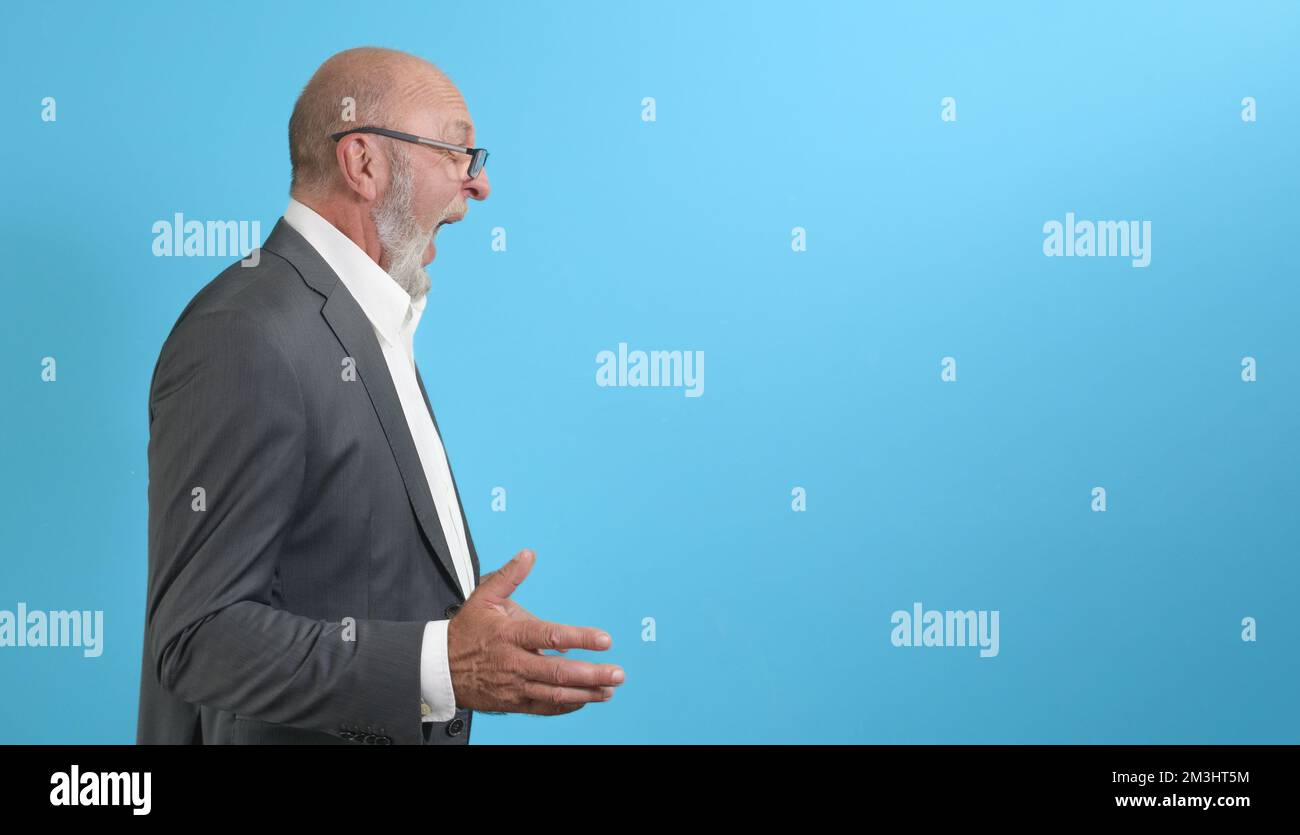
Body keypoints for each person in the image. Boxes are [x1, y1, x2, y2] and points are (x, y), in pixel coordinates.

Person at [137, 46, 624, 745]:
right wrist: (440, 665)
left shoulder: (363, 317)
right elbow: (198, 637)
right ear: (363, 164)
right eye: (459, 155)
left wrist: (457, 635)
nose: (478, 187)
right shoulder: (246, 332)